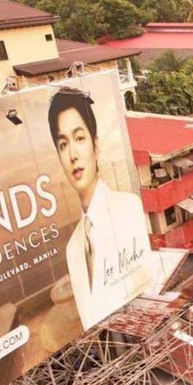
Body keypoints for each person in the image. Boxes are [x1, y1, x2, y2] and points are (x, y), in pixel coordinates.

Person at [48, 87, 153, 329]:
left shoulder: (128, 208)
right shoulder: (73, 248)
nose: (73, 154)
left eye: (79, 138)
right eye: (63, 144)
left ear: (95, 146)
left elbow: (147, 287)